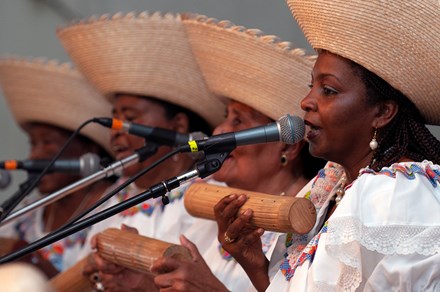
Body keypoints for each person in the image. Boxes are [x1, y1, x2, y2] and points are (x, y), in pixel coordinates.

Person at [216, 0, 440, 291]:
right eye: (311, 86)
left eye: (329, 90)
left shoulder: (393, 194)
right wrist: (255, 264)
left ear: (383, 112)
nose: (306, 102)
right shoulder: (328, 187)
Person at [149, 14, 330, 292]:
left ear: (288, 146)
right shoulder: (213, 214)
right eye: (225, 117)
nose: (220, 129)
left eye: (238, 121)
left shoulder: (310, 223)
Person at [56, 11, 225, 291]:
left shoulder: (212, 194)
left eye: (131, 117)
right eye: (115, 118)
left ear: (178, 125)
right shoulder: (111, 201)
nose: (117, 130)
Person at [0, 57, 115, 276]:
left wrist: (30, 259)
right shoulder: (27, 214)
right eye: (33, 144)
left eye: (48, 142)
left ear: (88, 148)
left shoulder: (116, 206)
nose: (35, 155)